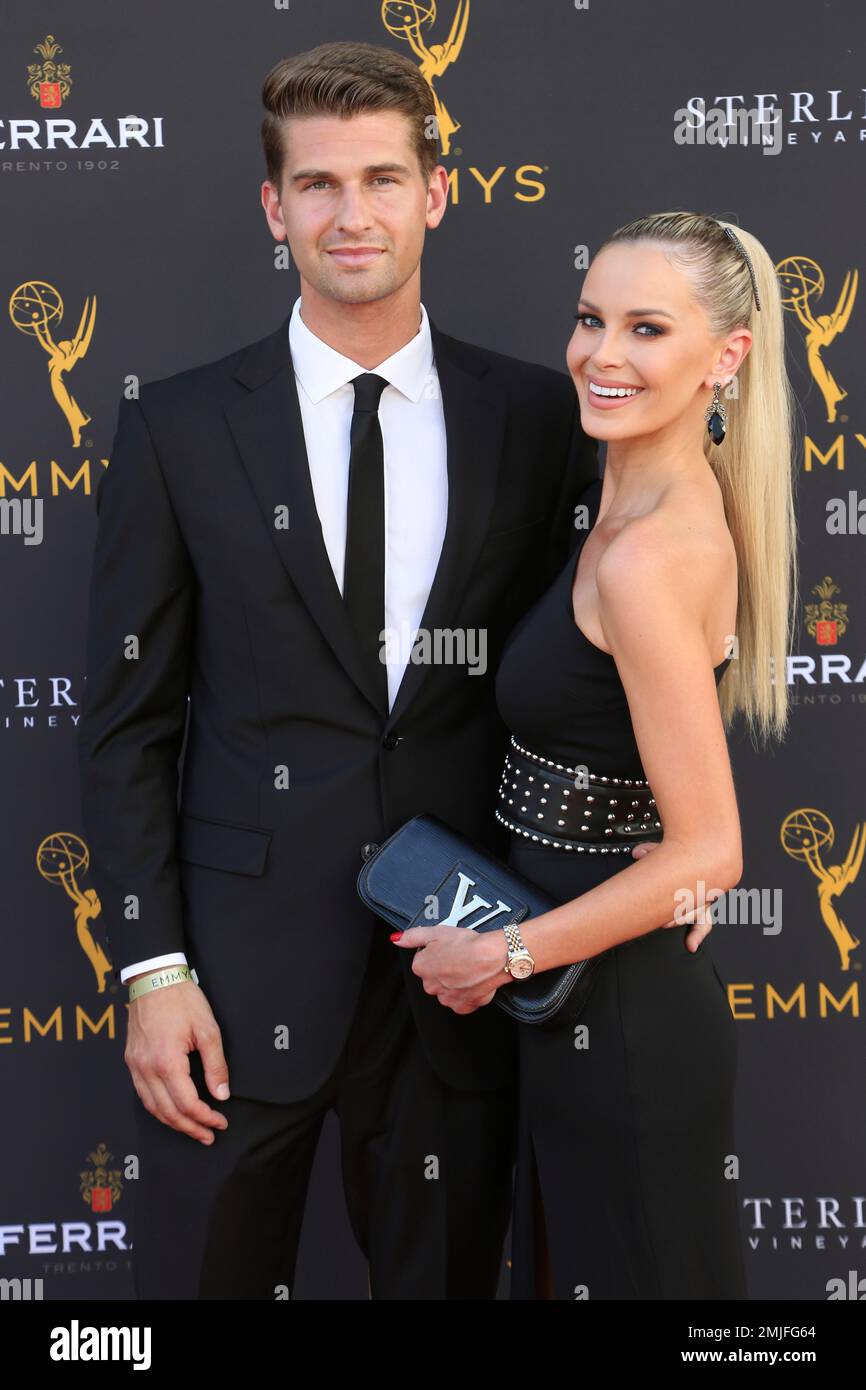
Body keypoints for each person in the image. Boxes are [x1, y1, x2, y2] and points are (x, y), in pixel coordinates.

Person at [76, 40, 679, 1300]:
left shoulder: (535, 417)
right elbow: (128, 725)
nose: (352, 215)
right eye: (318, 185)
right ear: (272, 206)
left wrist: (658, 858)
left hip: (460, 966)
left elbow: (601, 677)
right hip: (230, 995)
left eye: (382, 179)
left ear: (436, 192)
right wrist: (152, 973)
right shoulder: (177, 426)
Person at [396, 210, 798, 1299]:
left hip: (616, 1020)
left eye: (646, 329)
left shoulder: (648, 556)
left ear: (726, 356)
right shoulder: (610, 498)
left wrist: (507, 954)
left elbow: (710, 849)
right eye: (589, 319)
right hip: (586, 988)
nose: (601, 354)